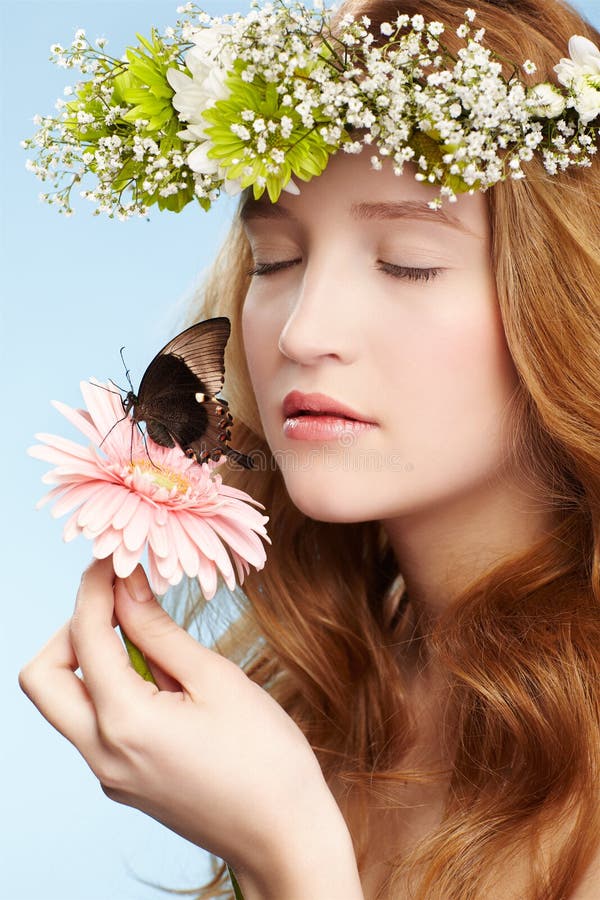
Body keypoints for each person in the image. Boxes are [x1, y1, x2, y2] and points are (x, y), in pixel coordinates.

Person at [19, 0, 600, 897]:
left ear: (569, 296)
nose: (303, 331)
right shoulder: (331, 694)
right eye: (276, 260)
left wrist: (288, 852)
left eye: (407, 261)